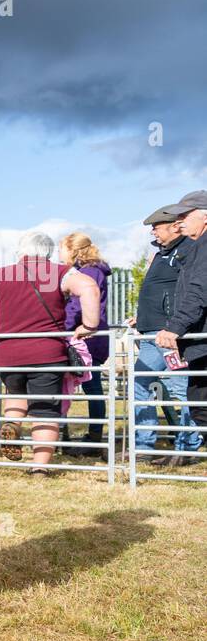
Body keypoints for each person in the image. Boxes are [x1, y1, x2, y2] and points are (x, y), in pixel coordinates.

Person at [0, 232, 100, 474]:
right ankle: (39, 468)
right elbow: (89, 287)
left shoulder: (4, 273)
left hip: (9, 353)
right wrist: (89, 325)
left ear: (22, 251)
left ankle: (12, 423)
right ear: (47, 252)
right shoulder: (59, 272)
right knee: (45, 410)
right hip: (47, 351)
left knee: (16, 393)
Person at [130, 205, 201, 465]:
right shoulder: (161, 253)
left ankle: (188, 447)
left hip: (171, 334)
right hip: (151, 332)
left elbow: (190, 292)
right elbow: (159, 291)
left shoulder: (190, 251)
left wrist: (175, 325)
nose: (153, 232)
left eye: (157, 227)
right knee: (139, 385)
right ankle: (144, 445)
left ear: (174, 226)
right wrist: (142, 316)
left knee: (181, 390)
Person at [155, 190, 207, 437]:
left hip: (203, 341)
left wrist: (177, 326)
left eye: (185, 215)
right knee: (199, 404)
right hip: (200, 341)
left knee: (201, 406)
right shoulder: (199, 246)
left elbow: (200, 290)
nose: (179, 221)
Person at [60, 233, 111, 456]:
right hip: (91, 335)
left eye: (61, 249)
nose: (59, 255)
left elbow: (77, 305)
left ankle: (91, 438)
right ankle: (90, 436)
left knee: (89, 388)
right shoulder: (94, 271)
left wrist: (63, 326)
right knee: (92, 388)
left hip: (84, 336)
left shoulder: (87, 273)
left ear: (73, 250)